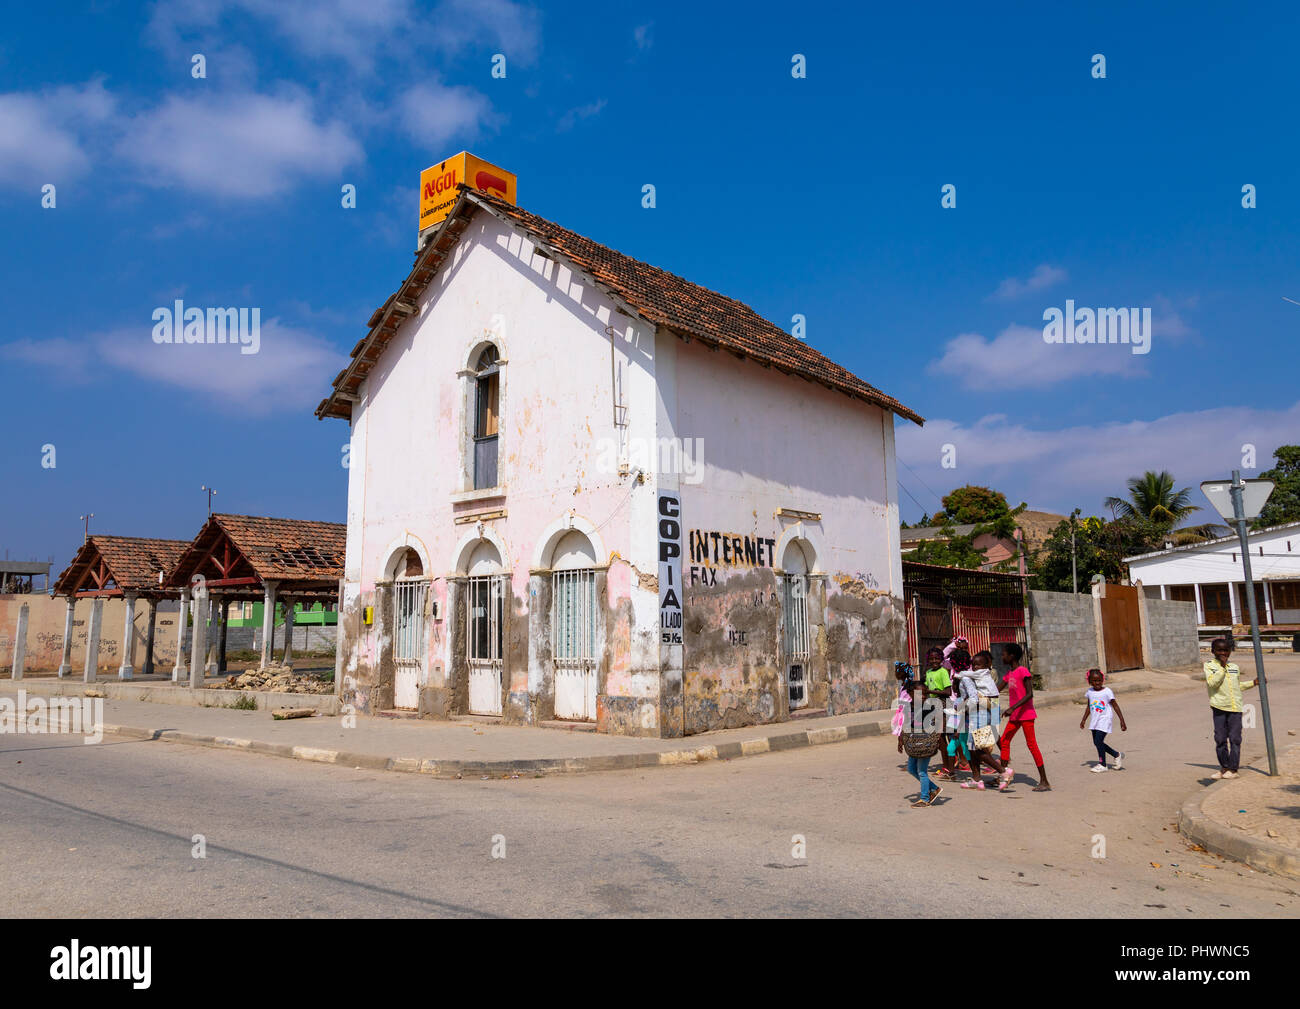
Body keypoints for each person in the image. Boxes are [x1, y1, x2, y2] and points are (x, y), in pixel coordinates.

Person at [998, 643, 1051, 791]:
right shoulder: (1009, 674)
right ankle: (1003, 776)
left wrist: (1012, 707)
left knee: (1031, 745)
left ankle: (1044, 781)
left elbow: (1030, 694)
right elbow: (996, 690)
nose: (1002, 657)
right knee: (1004, 741)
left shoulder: (1023, 671)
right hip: (1015, 715)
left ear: (1012, 656)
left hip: (1026, 714)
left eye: (1004, 654)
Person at [959, 649, 1014, 790]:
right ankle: (977, 779)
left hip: (981, 712)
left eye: (978, 664)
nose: (975, 667)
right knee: (972, 746)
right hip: (981, 712)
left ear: (987, 665)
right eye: (974, 664)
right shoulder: (981, 676)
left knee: (978, 747)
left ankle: (1003, 771)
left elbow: (973, 697)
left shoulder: (977, 675)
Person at [1203, 637, 1257, 779]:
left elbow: (1237, 687)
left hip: (1235, 708)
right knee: (1220, 739)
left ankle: (1233, 769)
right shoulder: (1209, 666)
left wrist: (1253, 683)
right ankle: (1224, 767)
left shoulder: (1234, 667)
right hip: (1219, 707)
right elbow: (1213, 684)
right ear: (1212, 651)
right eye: (1219, 650)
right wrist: (1222, 667)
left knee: (1235, 738)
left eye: (1226, 650)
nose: (1223, 653)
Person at [895, 661, 941, 807]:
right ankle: (934, 788)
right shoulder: (909, 708)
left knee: (921, 771)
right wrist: (901, 740)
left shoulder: (929, 707)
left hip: (925, 743)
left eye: (925, 694)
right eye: (919, 694)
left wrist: (937, 738)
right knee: (911, 769)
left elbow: (939, 721)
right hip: (914, 743)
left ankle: (925, 799)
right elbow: (905, 725)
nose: (922, 696)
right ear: (910, 694)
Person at [1080, 668, 1126, 772]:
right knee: (1097, 743)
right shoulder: (1090, 692)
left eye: (1099, 680)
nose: (1097, 683)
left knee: (1098, 741)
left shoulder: (1107, 692)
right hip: (1094, 720)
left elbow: (1115, 705)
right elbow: (1089, 706)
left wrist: (1122, 721)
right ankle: (1116, 754)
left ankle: (1102, 764)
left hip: (1105, 719)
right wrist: (1083, 720)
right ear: (1090, 681)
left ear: (1102, 680)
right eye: (1094, 681)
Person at [923, 647, 958, 780]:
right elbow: (927, 687)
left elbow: (948, 692)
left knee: (949, 736)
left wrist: (934, 692)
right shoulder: (929, 672)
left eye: (937, 658)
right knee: (940, 738)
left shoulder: (943, 672)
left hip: (944, 705)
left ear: (941, 659)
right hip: (934, 706)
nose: (934, 661)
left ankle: (951, 768)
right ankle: (946, 767)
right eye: (931, 659)